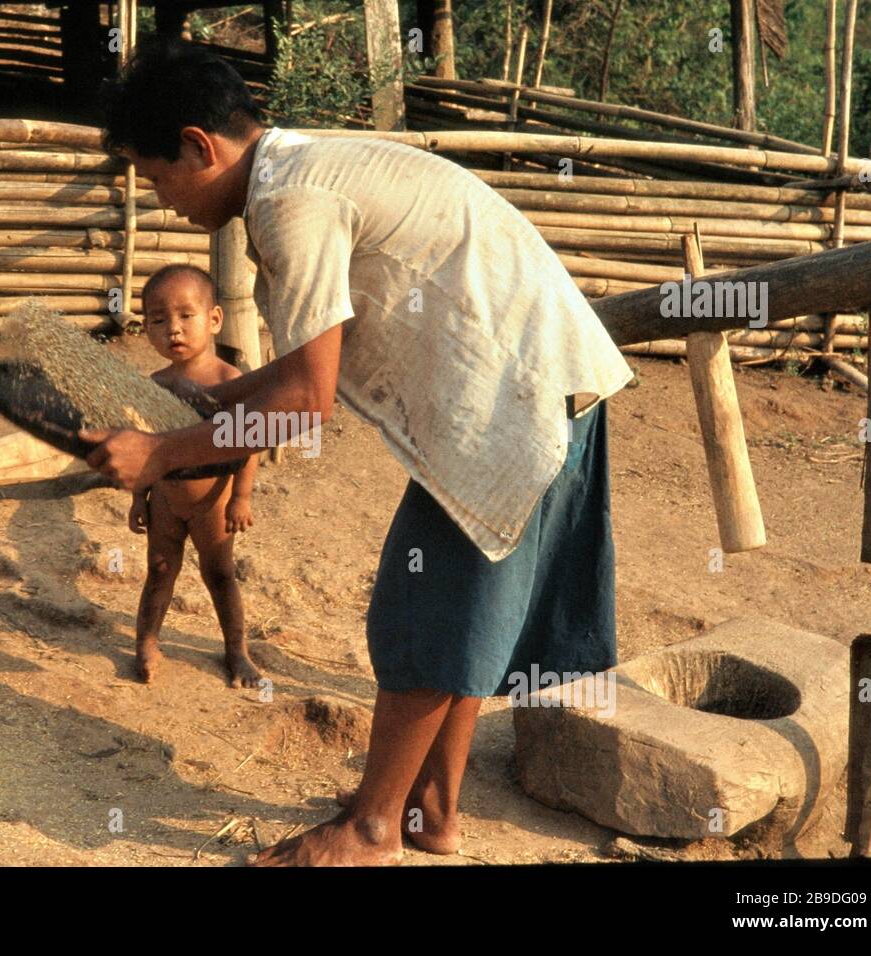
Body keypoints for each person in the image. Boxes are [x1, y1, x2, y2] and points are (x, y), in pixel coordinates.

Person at [81, 39, 634, 866]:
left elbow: (304, 405)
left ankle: (372, 831)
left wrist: (165, 452)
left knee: (424, 613)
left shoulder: (290, 203)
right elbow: (311, 369)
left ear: (198, 145)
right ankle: (432, 814)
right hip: (543, 388)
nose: (162, 202)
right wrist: (217, 398)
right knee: (462, 611)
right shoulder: (299, 169)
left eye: (157, 177)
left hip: (512, 407)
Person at [128, 263, 261, 689]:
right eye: (159, 319)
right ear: (146, 328)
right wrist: (138, 498)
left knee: (220, 574)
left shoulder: (230, 381)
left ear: (215, 319)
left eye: (187, 316)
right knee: (160, 570)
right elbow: (147, 447)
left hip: (214, 503)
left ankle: (236, 650)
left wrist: (242, 497)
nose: (175, 330)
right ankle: (146, 642)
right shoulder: (154, 385)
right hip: (166, 499)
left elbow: (249, 443)